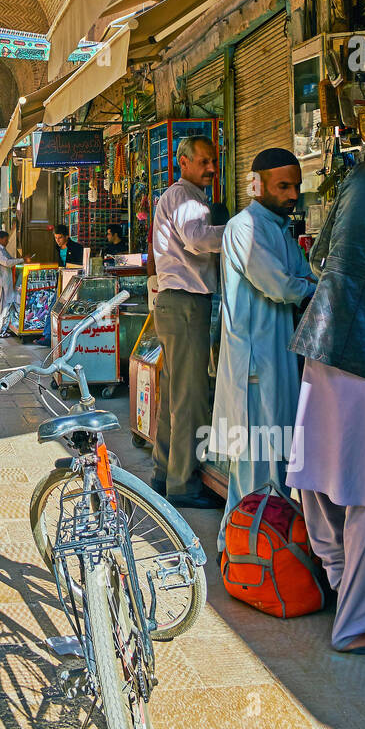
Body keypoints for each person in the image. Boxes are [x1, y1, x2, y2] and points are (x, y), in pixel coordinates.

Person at [287, 160, 365, 654]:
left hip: (324, 336)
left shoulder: (363, 177)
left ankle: (338, 581)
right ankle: (357, 625)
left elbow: (319, 256)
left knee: (318, 470)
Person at [209, 148, 316, 550]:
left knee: (277, 459)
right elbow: (284, 285)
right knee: (257, 461)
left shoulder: (281, 229)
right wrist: (313, 289)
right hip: (255, 365)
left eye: (296, 186)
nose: (293, 195)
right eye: (284, 186)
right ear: (258, 185)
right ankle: (245, 548)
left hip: (279, 360)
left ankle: (267, 546)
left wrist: (308, 285)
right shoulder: (244, 227)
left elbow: (302, 276)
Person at [151, 136, 226, 509]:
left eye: (213, 161)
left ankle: (165, 473)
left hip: (175, 304)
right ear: (183, 162)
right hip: (185, 305)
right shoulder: (186, 198)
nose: (211, 169)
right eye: (203, 162)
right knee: (191, 396)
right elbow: (197, 241)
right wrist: (240, 231)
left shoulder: (184, 197)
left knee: (173, 396)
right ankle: (183, 483)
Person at [0, 229, 23, 336]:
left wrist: (19, 260)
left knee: (4, 307)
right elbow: (7, 262)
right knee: (1, 308)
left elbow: (10, 260)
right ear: (0, 239)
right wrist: (22, 260)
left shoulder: (2, 249)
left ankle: (0, 330)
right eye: (6, 239)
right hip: (1, 284)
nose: (7, 241)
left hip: (5, 283)